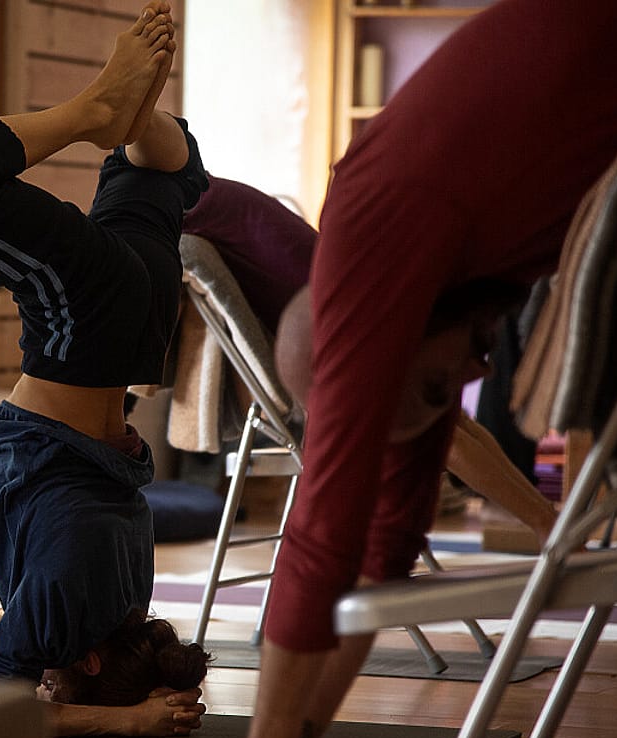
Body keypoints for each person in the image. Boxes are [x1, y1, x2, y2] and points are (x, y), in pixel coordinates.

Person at [236, 2, 617, 738]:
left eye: (436, 388)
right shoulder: (442, 264)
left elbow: (322, 533)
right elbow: (383, 551)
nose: (477, 362)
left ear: (372, 346)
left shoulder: (373, 226)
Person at [0, 2, 211, 737]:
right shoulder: (66, 603)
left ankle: (130, 121)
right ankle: (99, 110)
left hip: (138, 336)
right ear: (89, 667)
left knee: (171, 172)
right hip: (83, 332)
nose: (46, 684)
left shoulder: (128, 602)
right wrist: (118, 723)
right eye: (56, 684)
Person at [184, 175, 558, 540]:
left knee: (440, 429)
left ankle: (547, 522)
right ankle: (547, 520)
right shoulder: (204, 192)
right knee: (448, 422)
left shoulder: (175, 203)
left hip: (339, 329)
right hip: (356, 302)